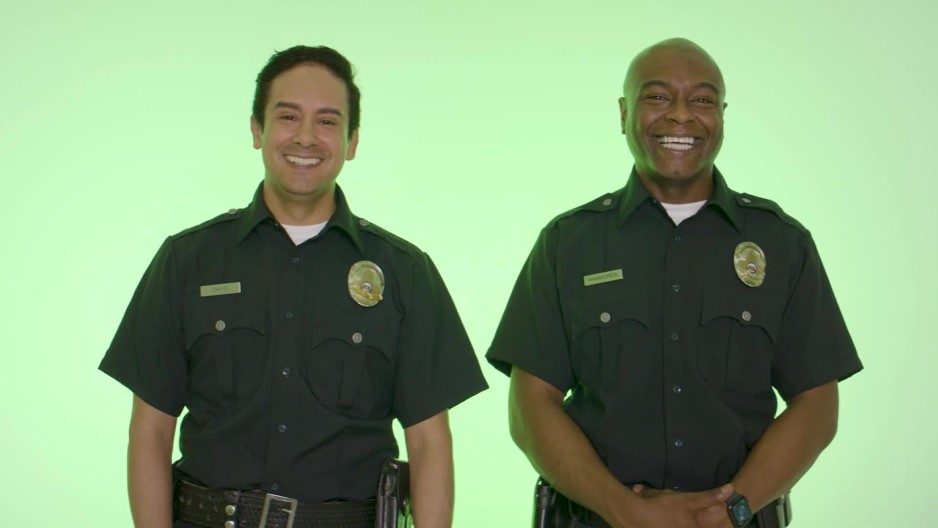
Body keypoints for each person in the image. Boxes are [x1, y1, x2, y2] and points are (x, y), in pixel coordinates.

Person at [100, 45, 487, 528]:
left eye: (327, 121)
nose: (306, 137)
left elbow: (429, 443)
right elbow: (151, 432)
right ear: (256, 130)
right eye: (288, 117)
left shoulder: (405, 273)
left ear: (351, 141)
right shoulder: (187, 261)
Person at [486, 38, 862, 528]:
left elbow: (816, 402)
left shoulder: (781, 243)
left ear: (722, 116)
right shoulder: (568, 243)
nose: (681, 115)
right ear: (624, 113)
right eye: (657, 96)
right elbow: (531, 404)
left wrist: (730, 510)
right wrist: (625, 511)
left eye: (702, 99)